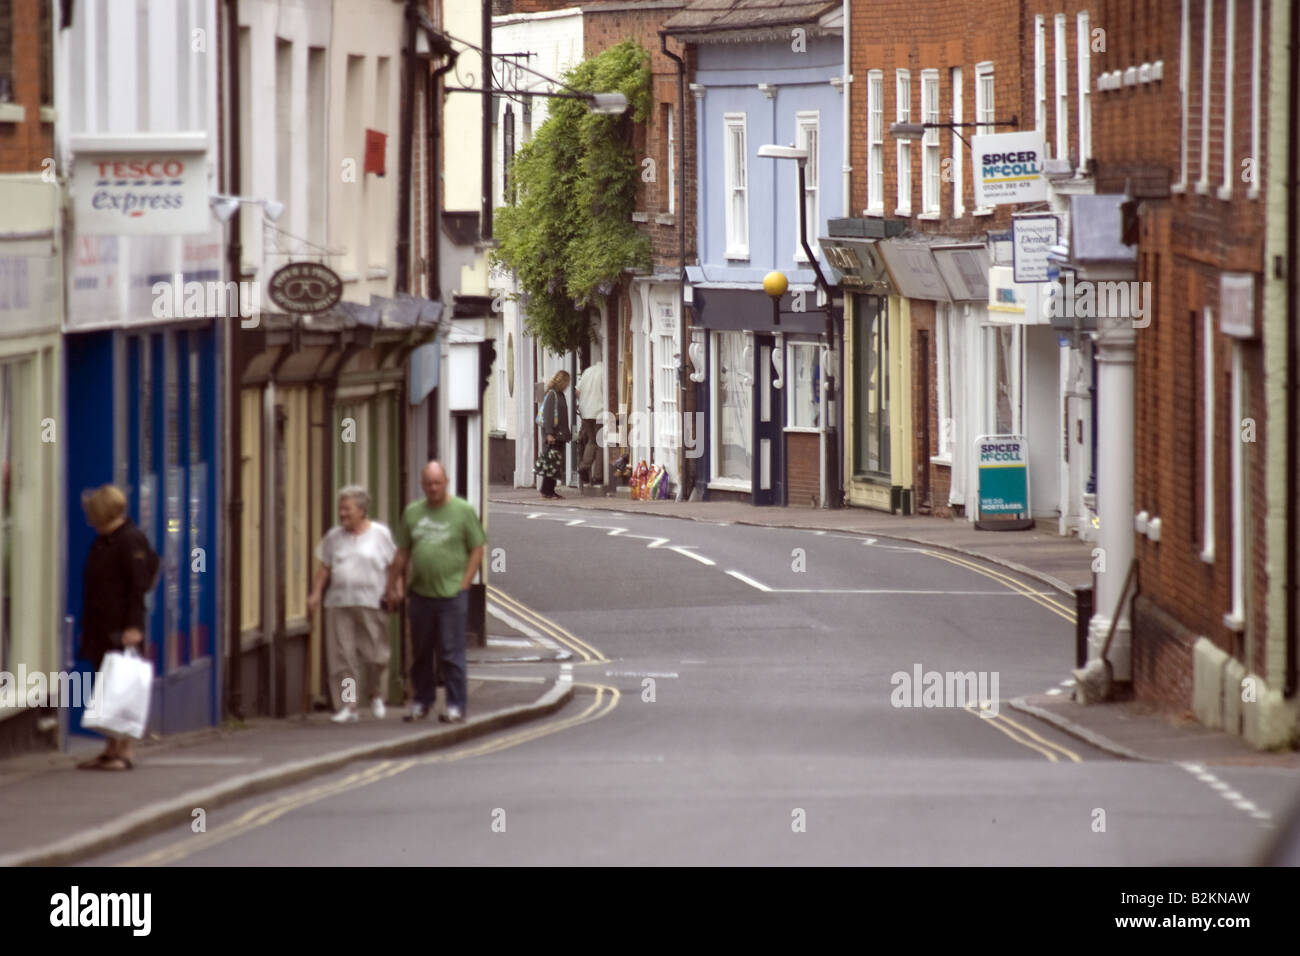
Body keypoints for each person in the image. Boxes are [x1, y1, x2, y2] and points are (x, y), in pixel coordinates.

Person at [387, 461, 485, 724]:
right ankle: (422, 701)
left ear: (446, 482)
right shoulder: (413, 513)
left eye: (437, 483)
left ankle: (455, 705)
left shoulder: (462, 511)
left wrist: (466, 582)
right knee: (421, 652)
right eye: (428, 484)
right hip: (420, 594)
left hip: (453, 594)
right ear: (422, 485)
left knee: (451, 652)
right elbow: (402, 552)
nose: (432, 488)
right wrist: (393, 584)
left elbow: (477, 547)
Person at [77, 484, 157, 771]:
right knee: (107, 686)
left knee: (123, 689)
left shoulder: (129, 541)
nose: (88, 517)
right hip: (101, 625)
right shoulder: (105, 540)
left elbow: (139, 585)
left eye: (91, 511)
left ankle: (125, 751)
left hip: (121, 627)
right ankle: (110, 748)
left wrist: (134, 625)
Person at [308, 485, 397, 723]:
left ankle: (375, 692)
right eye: (341, 509)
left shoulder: (380, 534)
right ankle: (349, 705)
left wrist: (395, 590)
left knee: (375, 656)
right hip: (339, 602)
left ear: (362, 510)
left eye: (347, 509)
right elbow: (325, 567)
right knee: (343, 658)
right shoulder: (333, 537)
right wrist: (316, 594)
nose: (342, 514)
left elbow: (393, 565)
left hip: (371, 601)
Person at [534, 369, 572, 499]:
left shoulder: (560, 394)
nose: (568, 385)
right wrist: (549, 433)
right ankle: (546, 490)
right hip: (553, 435)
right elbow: (548, 415)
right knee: (551, 463)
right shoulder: (552, 395)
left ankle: (549, 489)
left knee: (554, 463)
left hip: (559, 435)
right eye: (567, 381)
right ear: (562, 382)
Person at [575, 361, 605, 487]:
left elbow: (577, 391)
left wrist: (583, 402)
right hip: (600, 412)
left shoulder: (588, 371)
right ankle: (598, 476)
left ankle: (584, 466)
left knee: (591, 441)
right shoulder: (605, 372)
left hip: (586, 412)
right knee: (600, 443)